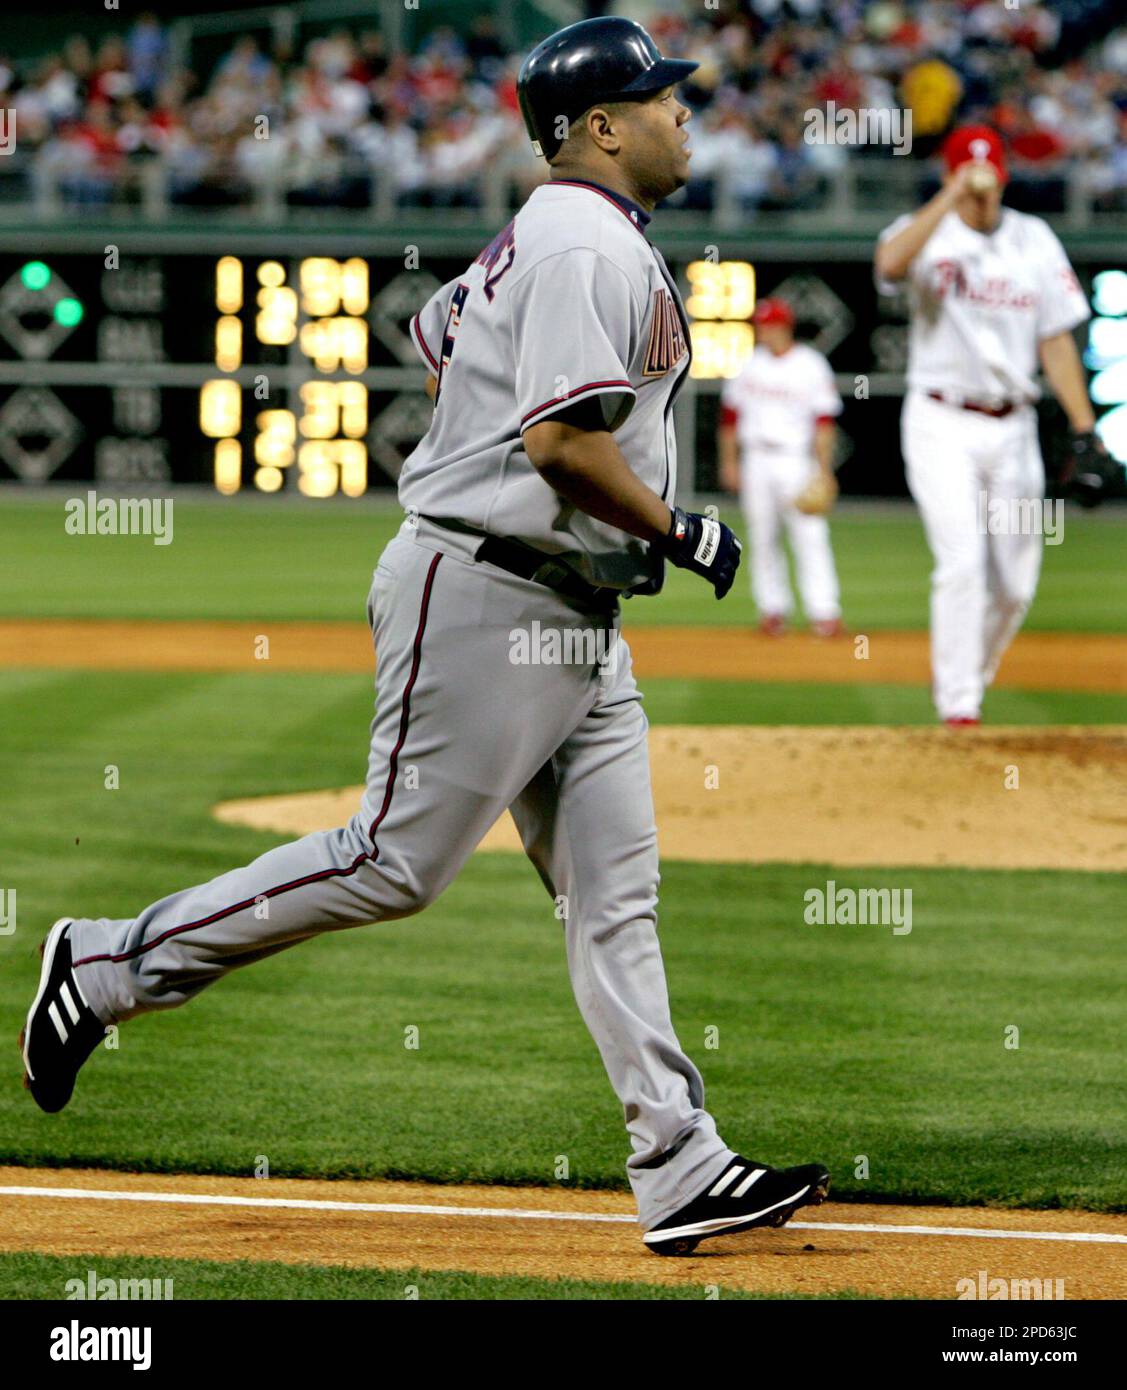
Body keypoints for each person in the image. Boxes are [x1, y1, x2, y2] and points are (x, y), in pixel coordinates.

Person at [21, 17, 828, 1259]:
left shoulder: (558, 236)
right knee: (390, 861)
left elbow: (436, 331)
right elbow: (561, 443)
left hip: (573, 613)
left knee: (615, 898)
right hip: (489, 590)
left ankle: (676, 1160)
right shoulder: (576, 246)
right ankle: (104, 963)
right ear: (599, 127)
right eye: (661, 99)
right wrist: (680, 529)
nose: (683, 114)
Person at [874, 124, 1094, 725]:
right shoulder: (926, 232)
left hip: (1013, 426)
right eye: (968, 175)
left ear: (1004, 175)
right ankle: (959, 707)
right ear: (950, 175)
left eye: (988, 174)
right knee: (962, 563)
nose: (980, 187)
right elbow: (890, 262)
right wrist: (949, 196)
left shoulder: (1034, 238)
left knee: (1015, 586)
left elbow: (1056, 340)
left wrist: (1084, 428)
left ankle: (973, 676)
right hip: (940, 419)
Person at [718, 297, 844, 637]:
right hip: (756, 457)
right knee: (762, 538)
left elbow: (824, 421)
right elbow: (729, 418)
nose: (763, 331)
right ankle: (772, 610)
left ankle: (825, 612)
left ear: (785, 326)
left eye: (768, 325)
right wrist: (730, 463)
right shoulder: (749, 364)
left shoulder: (811, 364)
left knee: (810, 536)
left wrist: (823, 468)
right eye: (760, 325)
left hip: (795, 459)